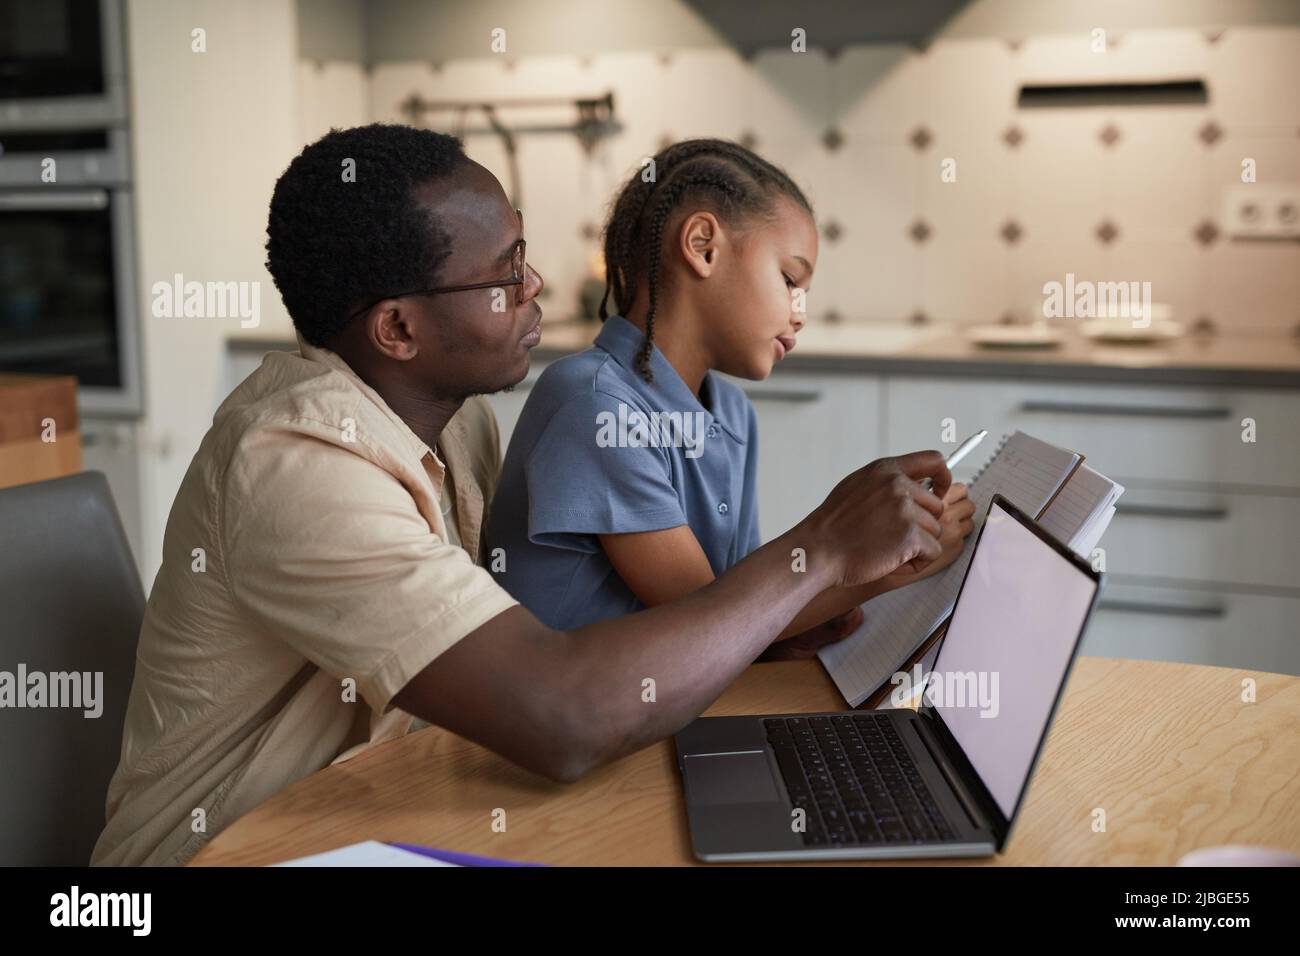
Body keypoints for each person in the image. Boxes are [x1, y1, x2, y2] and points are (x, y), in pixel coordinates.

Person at [92, 124, 954, 866]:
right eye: (504, 272)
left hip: (377, 820)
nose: (535, 284)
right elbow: (559, 714)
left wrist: (795, 614)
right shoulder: (299, 464)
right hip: (232, 853)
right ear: (399, 328)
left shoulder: (457, 425)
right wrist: (822, 550)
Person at [487, 139, 974, 654]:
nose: (801, 314)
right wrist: (889, 566)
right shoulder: (597, 406)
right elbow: (708, 619)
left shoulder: (733, 413)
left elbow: (745, 602)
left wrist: (817, 621)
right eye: (789, 279)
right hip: (579, 704)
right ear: (703, 247)